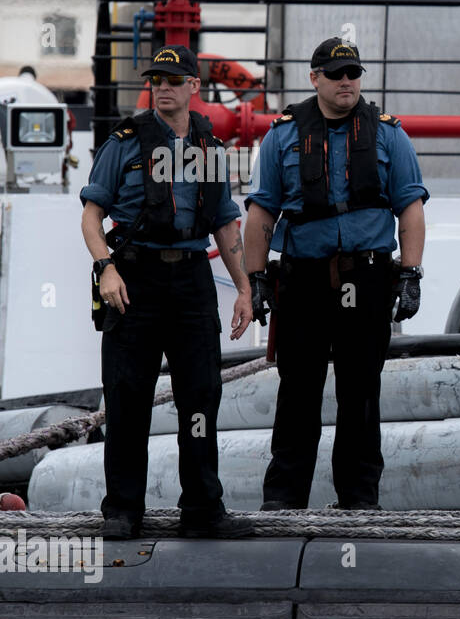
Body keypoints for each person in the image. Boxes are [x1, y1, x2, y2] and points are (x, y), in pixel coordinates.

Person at [244, 37, 427, 511]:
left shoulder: (388, 134)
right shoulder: (283, 135)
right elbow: (261, 213)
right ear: (315, 79)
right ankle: (284, 501)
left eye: (353, 73)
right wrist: (257, 278)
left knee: (361, 391)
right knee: (298, 392)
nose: (347, 81)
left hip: (367, 279)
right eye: (336, 74)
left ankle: (360, 500)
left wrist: (410, 273)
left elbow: (409, 207)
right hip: (302, 280)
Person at [79, 44, 254, 539]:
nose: (163, 88)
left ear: (194, 87)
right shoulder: (124, 141)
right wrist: (106, 269)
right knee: (128, 396)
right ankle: (122, 509)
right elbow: (92, 216)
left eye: (174, 81)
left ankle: (202, 508)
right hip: (135, 279)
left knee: (200, 397)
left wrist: (243, 288)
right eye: (157, 80)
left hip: (193, 283)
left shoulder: (210, 148)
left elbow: (225, 223)